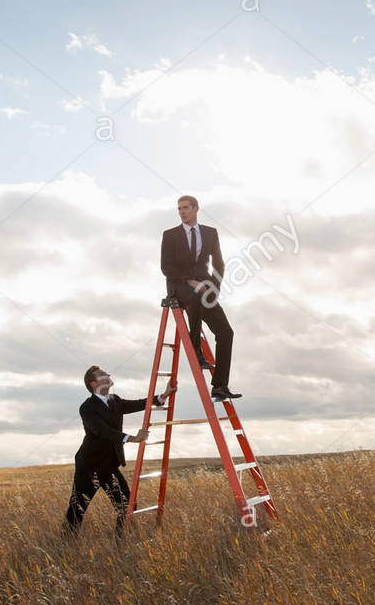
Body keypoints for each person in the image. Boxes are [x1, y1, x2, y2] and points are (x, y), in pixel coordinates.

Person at [61, 365, 175, 540]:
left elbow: (139, 403)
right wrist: (132, 438)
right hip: (89, 466)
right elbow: (101, 430)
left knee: (127, 506)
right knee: (78, 508)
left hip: (109, 466)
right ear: (93, 383)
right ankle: (64, 544)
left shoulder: (115, 400)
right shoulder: (87, 407)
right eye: (102, 374)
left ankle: (119, 542)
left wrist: (163, 395)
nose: (108, 374)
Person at [160, 194, 241, 400]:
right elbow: (166, 267)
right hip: (179, 286)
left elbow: (219, 264)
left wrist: (214, 287)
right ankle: (196, 352)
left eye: (186, 208)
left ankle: (220, 386)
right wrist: (191, 281)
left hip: (205, 288)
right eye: (179, 208)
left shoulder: (210, 233)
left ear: (196, 209)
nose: (182, 212)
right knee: (196, 296)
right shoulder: (170, 235)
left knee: (226, 332)